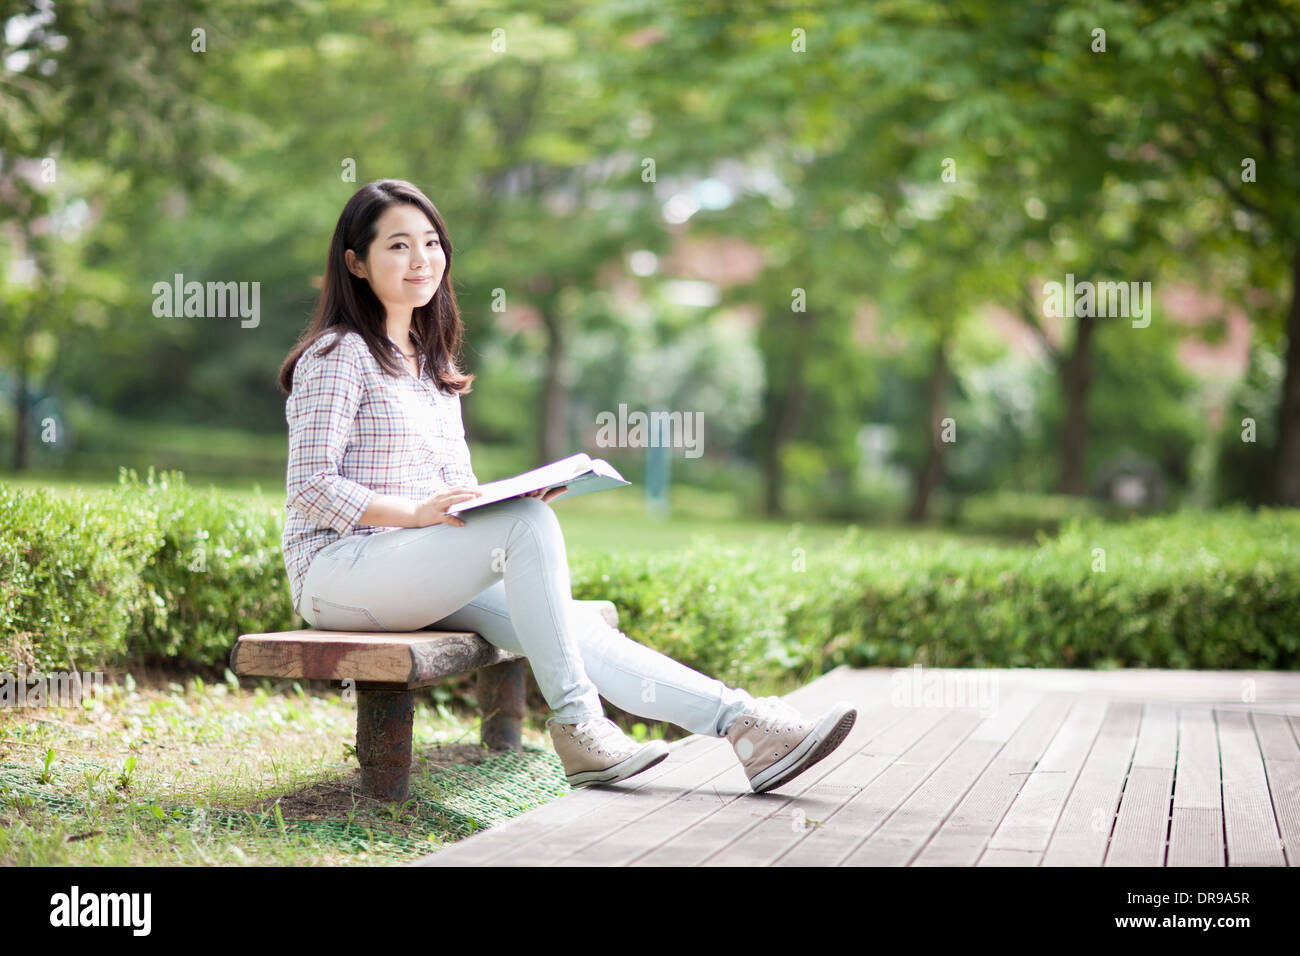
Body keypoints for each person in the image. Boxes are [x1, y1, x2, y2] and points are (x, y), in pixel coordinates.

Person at [276, 179, 856, 793]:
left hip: (415, 568)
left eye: (431, 242)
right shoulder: (338, 354)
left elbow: (454, 492)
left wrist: (505, 500)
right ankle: (580, 726)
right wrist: (419, 514)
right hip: (338, 571)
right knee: (526, 533)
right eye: (397, 245)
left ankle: (746, 726)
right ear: (356, 263)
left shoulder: (429, 362)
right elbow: (310, 487)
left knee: (574, 622)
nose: (421, 260)